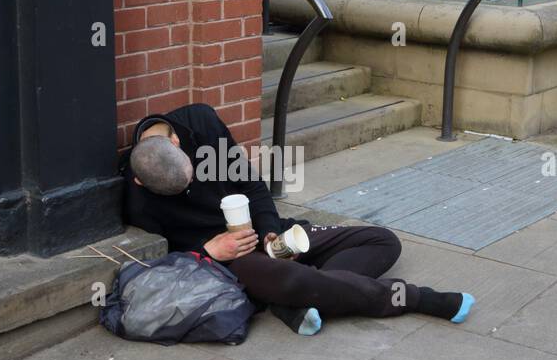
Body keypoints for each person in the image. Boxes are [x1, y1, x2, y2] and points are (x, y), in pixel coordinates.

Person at [121, 104, 474, 337]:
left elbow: (253, 186)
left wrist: (269, 230)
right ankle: (411, 298)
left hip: (265, 237)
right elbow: (166, 266)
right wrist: (209, 251)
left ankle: (294, 302)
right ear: (140, 182)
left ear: (178, 141)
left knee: (382, 240)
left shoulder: (201, 121)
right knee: (292, 277)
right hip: (230, 261)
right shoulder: (137, 193)